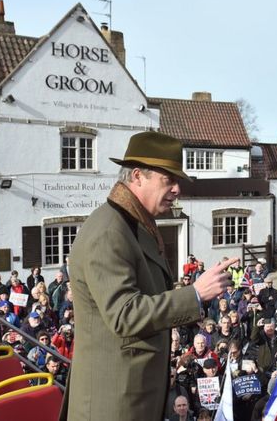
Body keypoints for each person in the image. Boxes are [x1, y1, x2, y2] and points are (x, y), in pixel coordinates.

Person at [60, 131, 236, 421]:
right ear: (138, 176)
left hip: (132, 394)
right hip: (113, 402)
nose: (177, 189)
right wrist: (194, 294)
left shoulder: (134, 224)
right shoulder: (110, 231)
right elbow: (124, 314)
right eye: (168, 179)